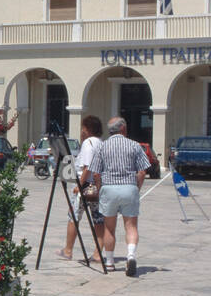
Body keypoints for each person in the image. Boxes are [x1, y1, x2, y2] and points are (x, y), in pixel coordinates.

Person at [90, 116, 150, 277]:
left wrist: (100, 188)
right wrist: (137, 188)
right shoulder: (134, 145)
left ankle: (109, 262)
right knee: (131, 226)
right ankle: (130, 255)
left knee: (109, 228)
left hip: (109, 188)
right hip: (129, 187)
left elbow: (96, 172)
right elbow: (143, 171)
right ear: (123, 128)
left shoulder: (102, 147)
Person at [59, 115, 104, 261]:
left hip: (85, 185)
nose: (82, 131)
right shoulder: (101, 143)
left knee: (74, 216)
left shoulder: (88, 143)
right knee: (98, 219)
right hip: (96, 186)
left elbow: (88, 166)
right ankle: (98, 252)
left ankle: (68, 250)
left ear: (88, 129)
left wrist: (79, 185)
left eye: (83, 128)